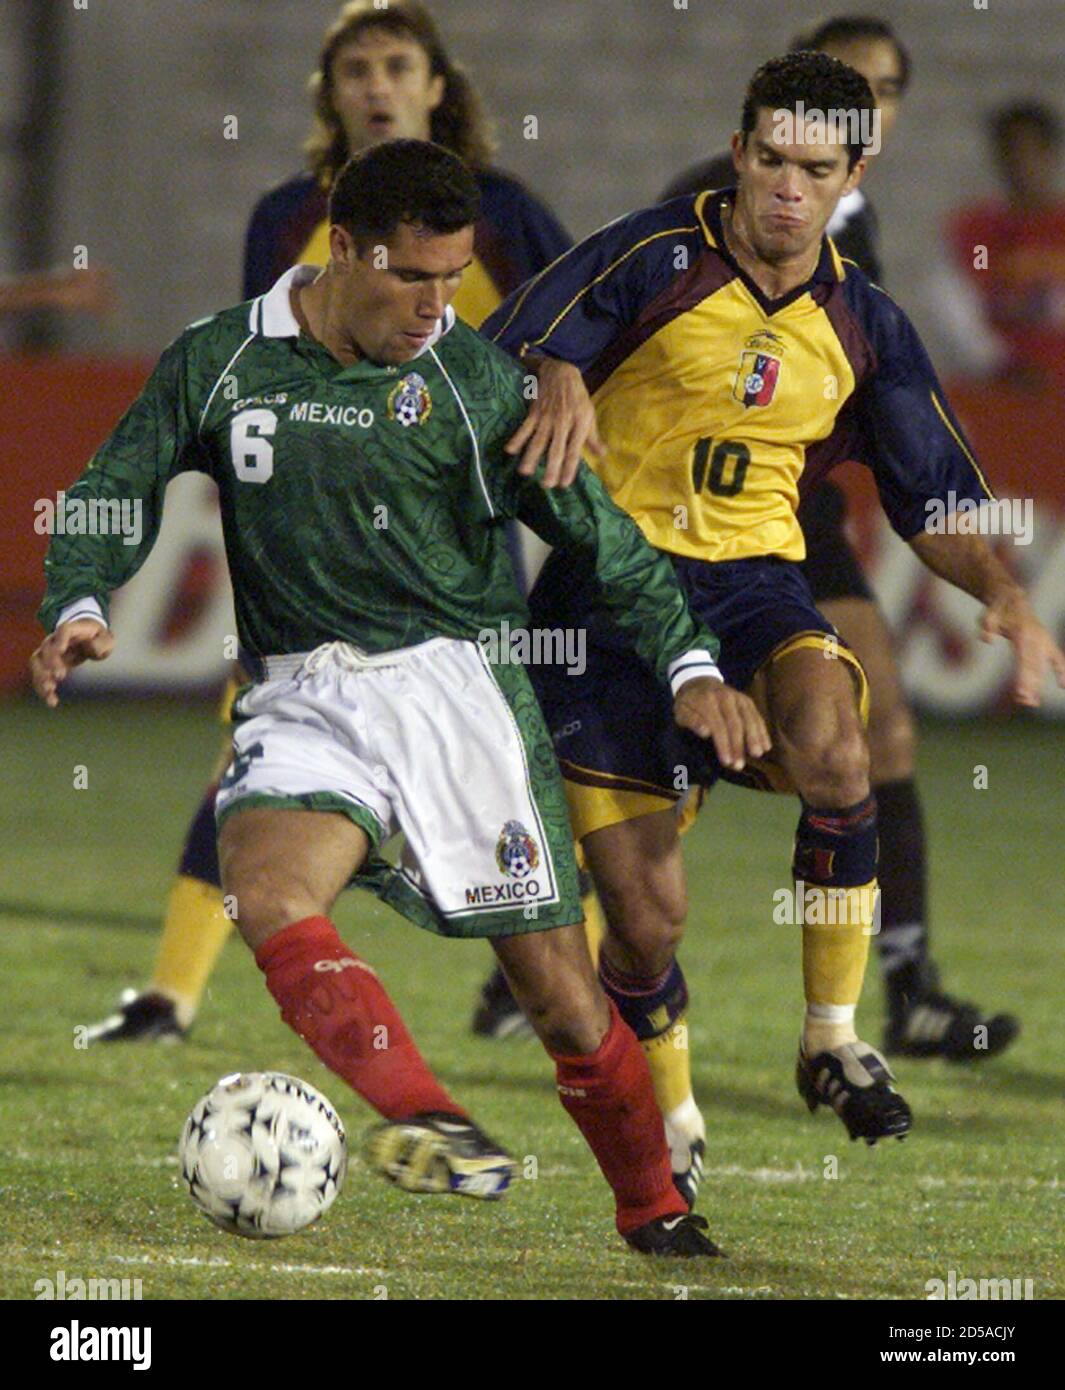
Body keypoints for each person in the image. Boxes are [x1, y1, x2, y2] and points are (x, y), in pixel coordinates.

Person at [32, 139, 770, 1256]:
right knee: (268, 892)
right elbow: (111, 486)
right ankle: (427, 1115)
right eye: (412, 277)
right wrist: (78, 596)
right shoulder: (221, 359)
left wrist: (693, 666)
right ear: (344, 249)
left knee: (567, 1003)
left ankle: (654, 1207)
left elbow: (607, 542)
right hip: (300, 694)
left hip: (458, 699)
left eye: (453, 276)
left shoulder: (477, 385)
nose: (438, 305)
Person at [483, 52, 1065, 1200]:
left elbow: (932, 493)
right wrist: (550, 370)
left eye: (816, 168)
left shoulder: (866, 322)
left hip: (755, 586)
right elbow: (498, 354)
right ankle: (679, 1113)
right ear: (740, 151)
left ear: (854, 171)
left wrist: (998, 588)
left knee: (837, 740)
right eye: (771, 160)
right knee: (648, 924)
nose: (788, 188)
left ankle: (831, 1037)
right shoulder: (650, 255)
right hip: (609, 598)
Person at [88, 0, 573, 1047]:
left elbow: (569, 351)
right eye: (355, 68)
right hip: (318, 537)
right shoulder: (283, 215)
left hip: (462, 537)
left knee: (494, 762)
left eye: (398, 64)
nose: (376, 86)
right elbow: (250, 371)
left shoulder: (507, 211)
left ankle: (527, 980)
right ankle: (172, 994)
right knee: (255, 748)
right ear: (330, 92)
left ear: (438, 86)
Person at [661, 15, 1022, 1066]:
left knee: (875, 727)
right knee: (655, 762)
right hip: (684, 519)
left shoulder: (855, 229)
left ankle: (895, 991)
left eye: (883, 90)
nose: (864, 106)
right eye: (844, 86)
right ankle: (557, 946)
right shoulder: (706, 214)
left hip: (795, 519)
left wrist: (989, 572)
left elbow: (888, 409)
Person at [944, 100, 1065, 389]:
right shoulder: (980, 234)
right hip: (1004, 385)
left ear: (1050, 153)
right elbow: (969, 295)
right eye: (1013, 152)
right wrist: (1002, 365)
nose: (1023, 164)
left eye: (1032, 151)